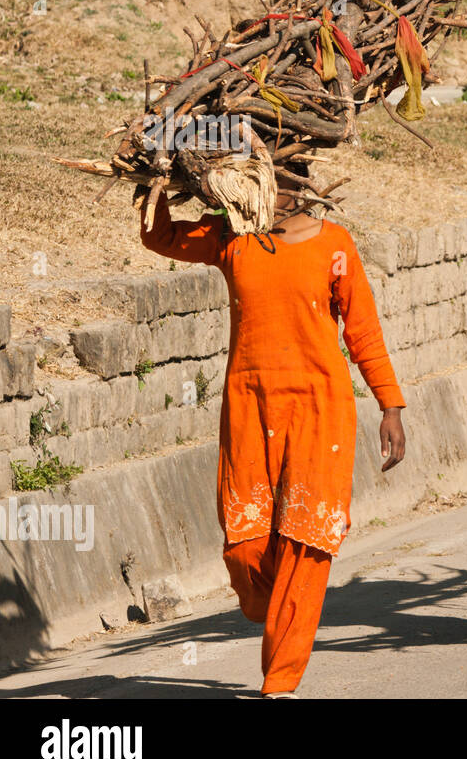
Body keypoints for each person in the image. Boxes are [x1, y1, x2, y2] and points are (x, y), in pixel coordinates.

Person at [138, 156, 406, 695]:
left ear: (295, 182)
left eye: (272, 180)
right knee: (244, 541)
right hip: (248, 405)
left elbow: (363, 333)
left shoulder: (336, 245)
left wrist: (390, 405)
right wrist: (154, 177)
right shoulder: (231, 236)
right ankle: (269, 605)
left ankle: (279, 682)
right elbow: (159, 235)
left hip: (319, 409)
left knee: (305, 545)